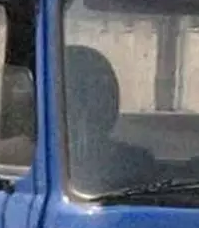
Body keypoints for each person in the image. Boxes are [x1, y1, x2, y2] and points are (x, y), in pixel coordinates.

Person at [62, 44, 156, 191]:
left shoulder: (136, 163)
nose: (101, 102)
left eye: (106, 89)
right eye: (84, 91)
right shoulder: (25, 159)